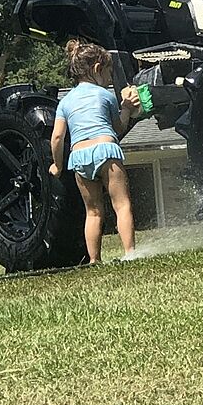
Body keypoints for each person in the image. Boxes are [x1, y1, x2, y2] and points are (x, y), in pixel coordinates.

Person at [50, 39, 141, 264]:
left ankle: (94, 259)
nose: (110, 80)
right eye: (109, 74)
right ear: (98, 69)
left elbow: (57, 137)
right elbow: (118, 128)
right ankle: (130, 253)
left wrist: (58, 165)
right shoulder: (105, 96)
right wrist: (126, 108)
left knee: (93, 211)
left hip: (79, 157)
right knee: (122, 204)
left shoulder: (65, 102)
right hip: (105, 151)